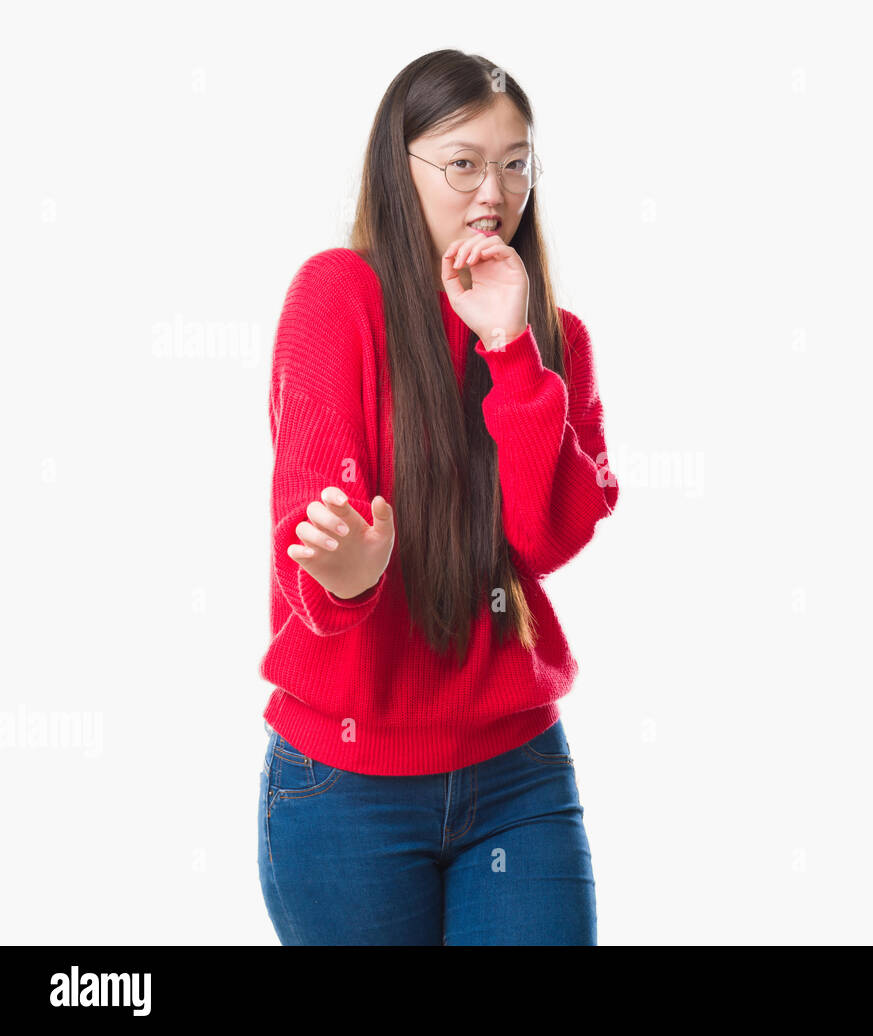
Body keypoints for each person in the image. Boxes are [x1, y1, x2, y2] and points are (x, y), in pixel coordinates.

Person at [256, 50, 617, 945]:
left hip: (518, 776)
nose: (492, 192)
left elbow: (549, 534)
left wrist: (508, 349)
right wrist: (348, 574)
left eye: (515, 162)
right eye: (463, 163)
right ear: (400, 167)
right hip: (346, 790)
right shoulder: (337, 297)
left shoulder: (554, 337)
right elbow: (312, 543)